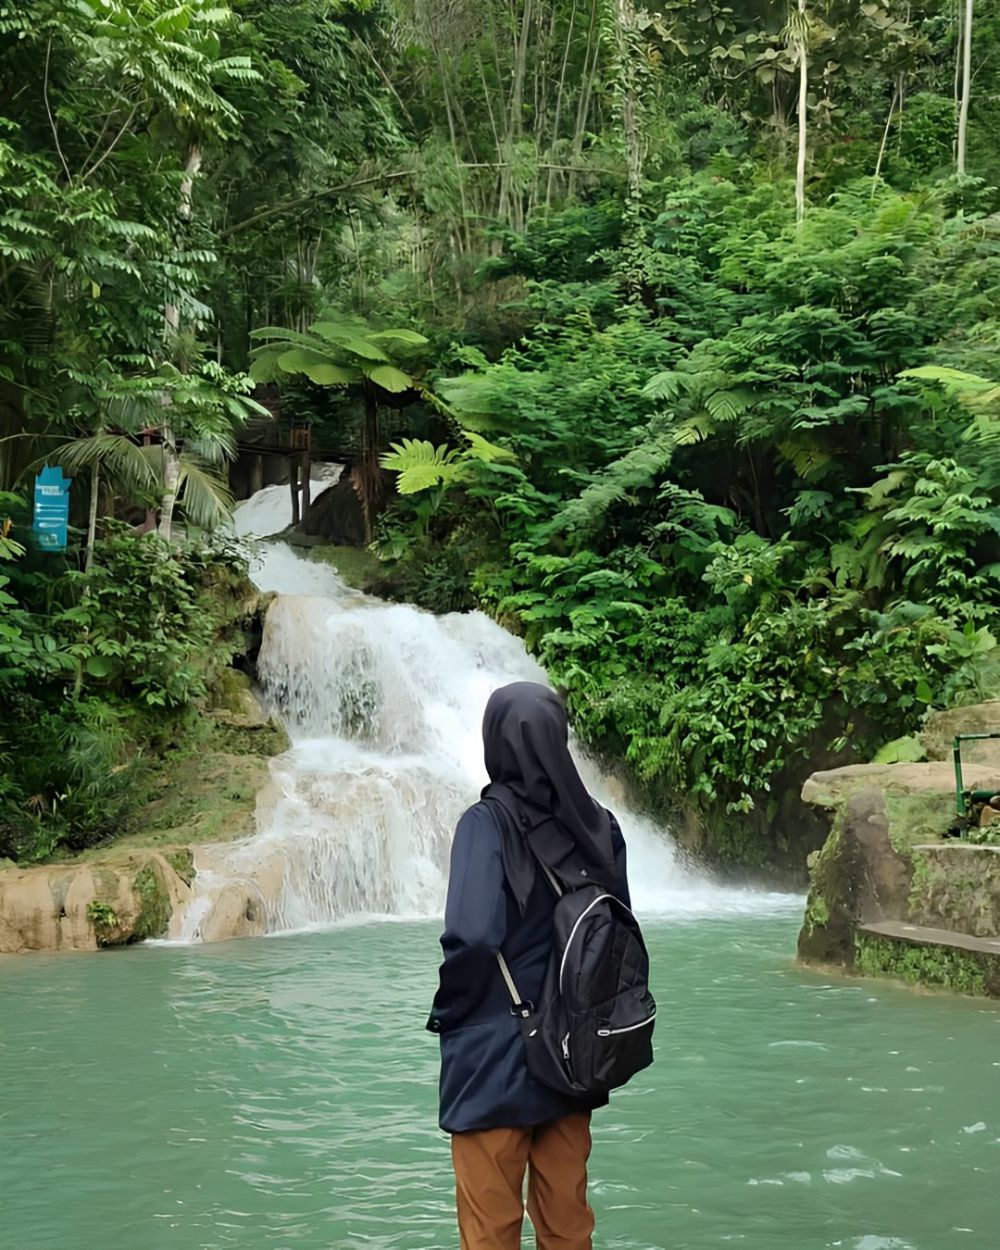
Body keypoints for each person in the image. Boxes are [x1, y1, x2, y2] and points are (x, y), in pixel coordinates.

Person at [427, 680, 631, 1250]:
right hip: (573, 1055)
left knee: (489, 1231)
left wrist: (451, 1011)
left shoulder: (485, 824)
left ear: (494, 740)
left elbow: (471, 935)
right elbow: (617, 935)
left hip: (494, 1057)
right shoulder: (599, 826)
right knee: (568, 1226)